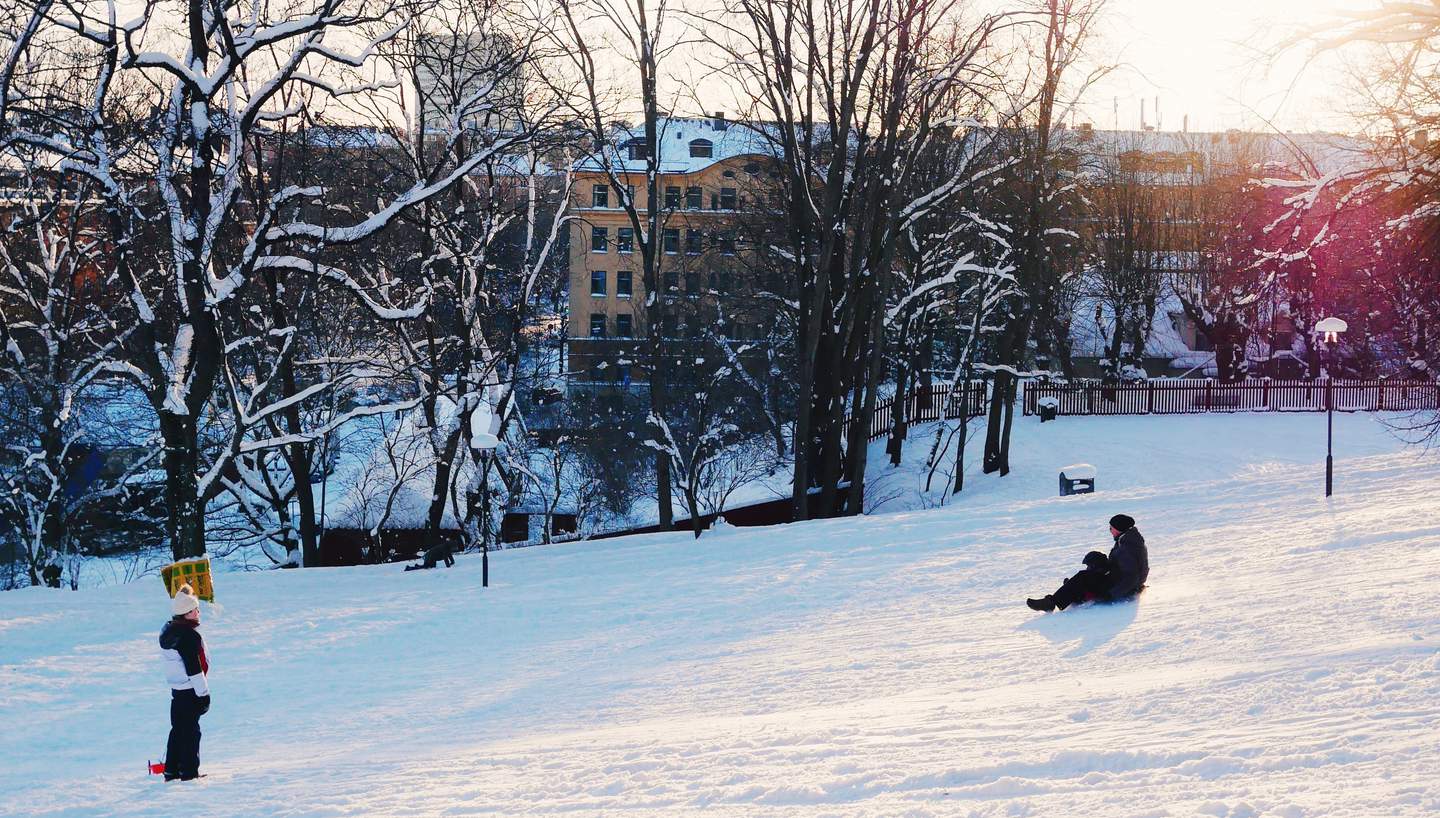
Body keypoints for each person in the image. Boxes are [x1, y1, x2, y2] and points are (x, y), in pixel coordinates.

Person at [1027, 514, 1149, 612]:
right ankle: (1074, 590)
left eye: (1111, 528)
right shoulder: (1127, 540)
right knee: (1094, 560)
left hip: (1121, 587)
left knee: (1083, 577)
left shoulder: (1127, 547)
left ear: (1118, 529)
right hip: (1117, 579)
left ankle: (1051, 603)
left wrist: (1111, 595)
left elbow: (1132, 576)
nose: (1110, 530)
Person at [159, 584, 210, 781]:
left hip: (177, 690)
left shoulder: (170, 631)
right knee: (191, 732)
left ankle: (171, 770)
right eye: (196, 608)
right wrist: (203, 694)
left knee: (178, 730)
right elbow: (194, 669)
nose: (199, 612)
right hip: (190, 690)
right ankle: (189, 772)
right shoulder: (188, 637)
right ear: (187, 613)